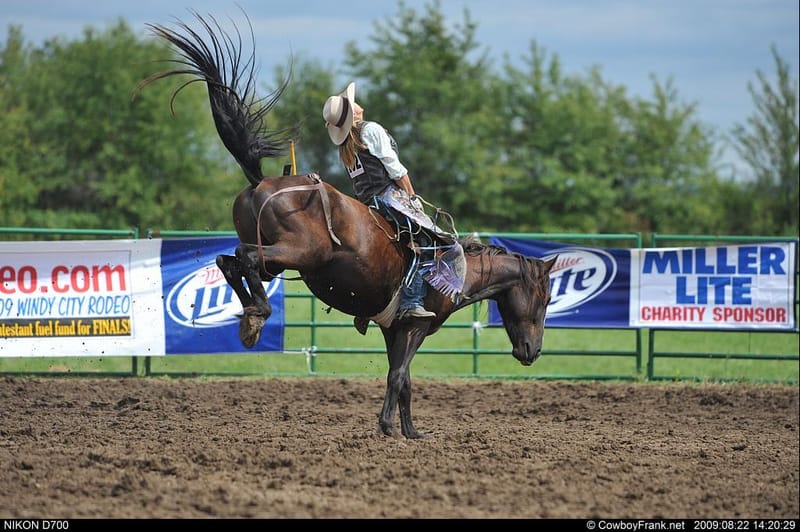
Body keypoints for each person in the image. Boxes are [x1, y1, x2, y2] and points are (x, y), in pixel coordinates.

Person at [322, 82, 437, 320]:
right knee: (428, 241)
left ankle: (368, 305)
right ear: (353, 112)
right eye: (352, 102)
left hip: (367, 202)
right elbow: (395, 169)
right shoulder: (370, 130)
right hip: (387, 197)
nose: (357, 103)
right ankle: (412, 300)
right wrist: (412, 197)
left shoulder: (346, 145)